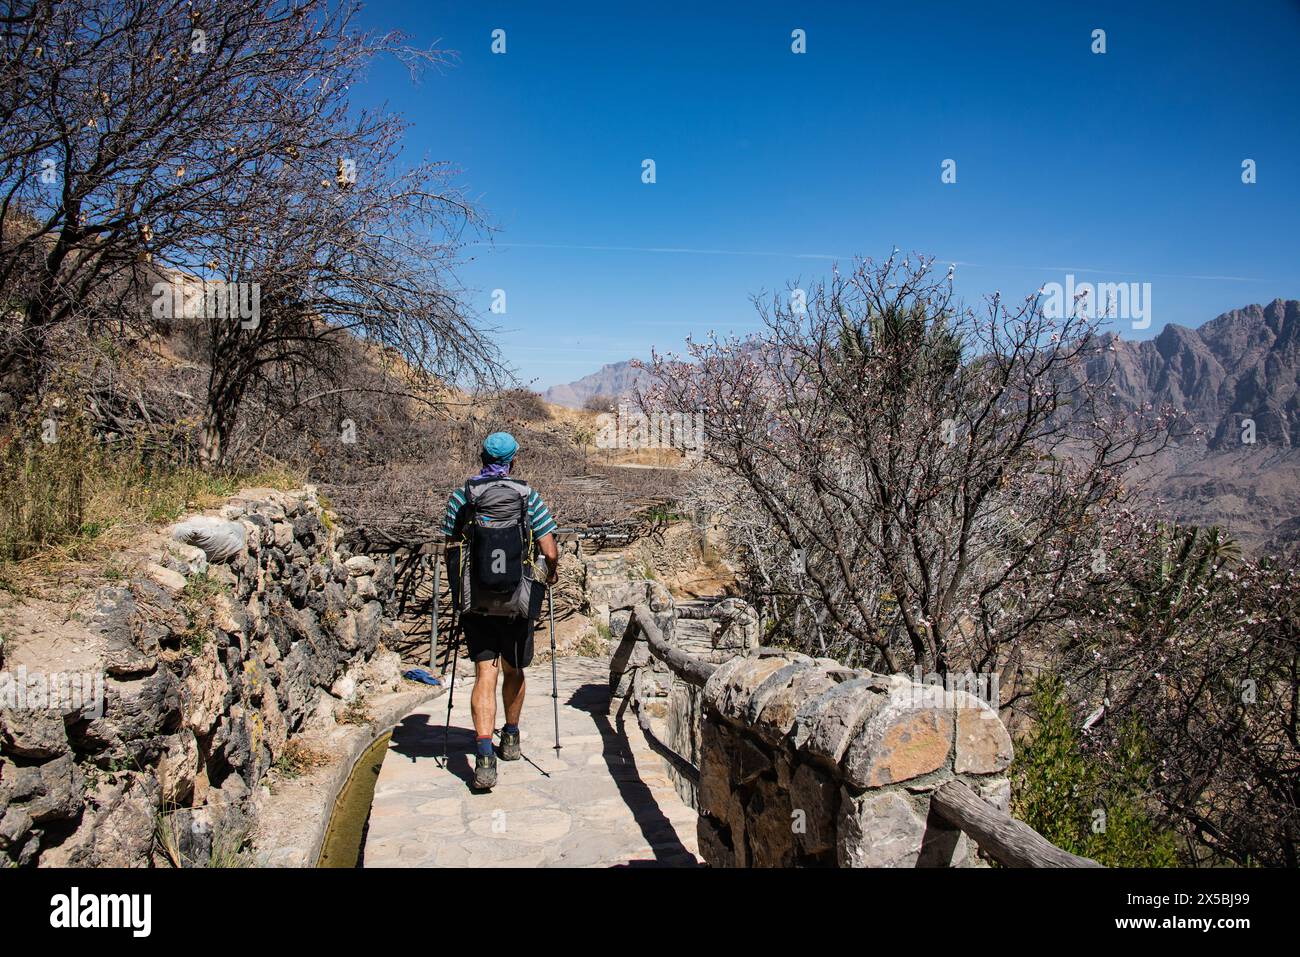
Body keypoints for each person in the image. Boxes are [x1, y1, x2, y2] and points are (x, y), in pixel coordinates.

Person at [443, 432, 559, 790]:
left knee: (484, 674)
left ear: (481, 455)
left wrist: (458, 591)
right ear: (514, 461)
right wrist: (549, 576)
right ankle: (510, 737)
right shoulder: (529, 497)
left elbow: (450, 545)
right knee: (514, 670)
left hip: (476, 601)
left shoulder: (464, 495)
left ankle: (483, 757)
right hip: (517, 601)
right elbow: (550, 551)